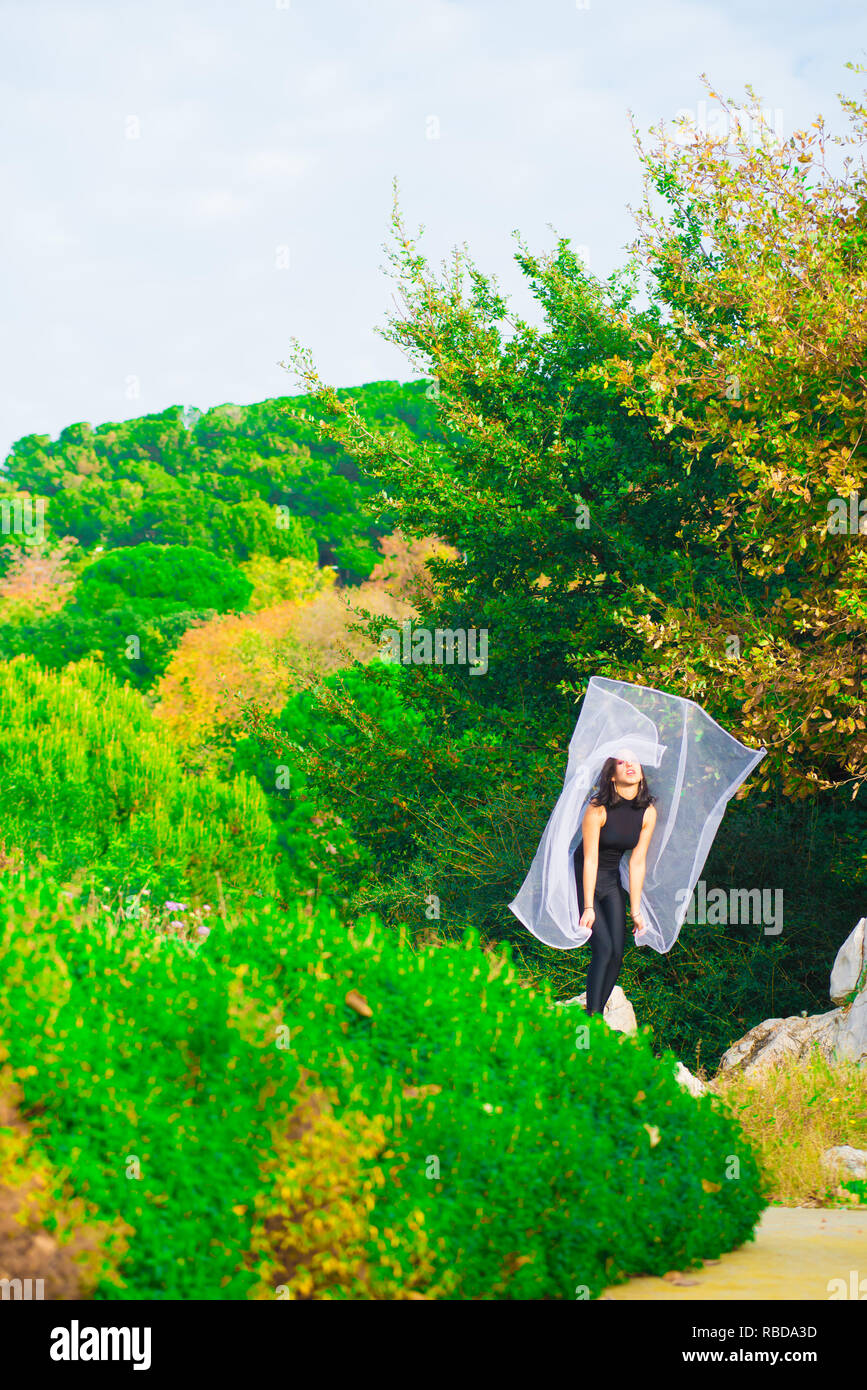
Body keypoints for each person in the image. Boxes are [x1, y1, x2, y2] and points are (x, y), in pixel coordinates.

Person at [575, 750, 657, 1016]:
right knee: (604, 948)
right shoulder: (597, 808)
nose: (630, 764)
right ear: (611, 776)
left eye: (634, 760)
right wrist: (588, 906)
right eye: (621, 762)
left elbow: (636, 863)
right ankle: (591, 1023)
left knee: (618, 955)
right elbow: (589, 859)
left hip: (610, 881)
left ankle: (595, 1016)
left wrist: (636, 911)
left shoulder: (647, 812)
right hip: (583, 876)